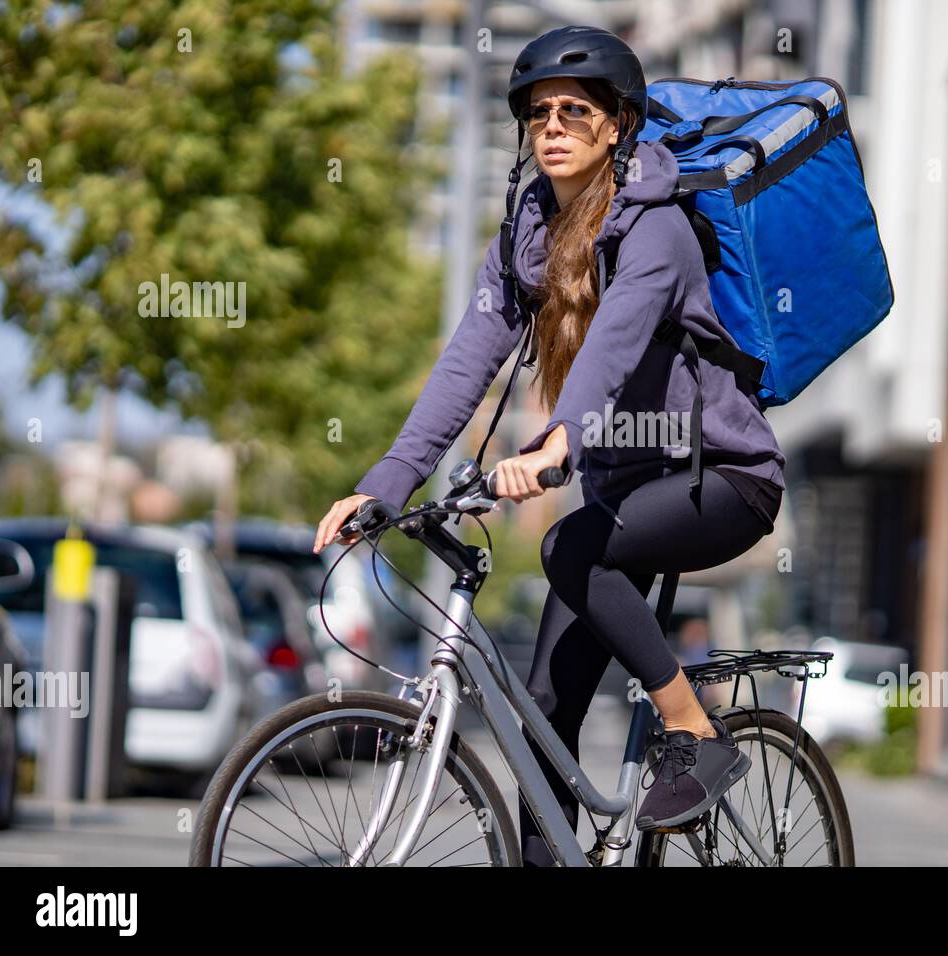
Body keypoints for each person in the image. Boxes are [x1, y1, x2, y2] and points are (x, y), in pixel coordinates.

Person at [313, 25, 786, 865]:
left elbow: (613, 345)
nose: (554, 127)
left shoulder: (658, 229)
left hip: (722, 477)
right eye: (539, 115)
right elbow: (466, 363)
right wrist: (387, 480)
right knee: (542, 714)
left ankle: (691, 726)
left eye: (575, 111)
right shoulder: (525, 239)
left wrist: (556, 442)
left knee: (571, 547)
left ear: (616, 126)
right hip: (622, 491)